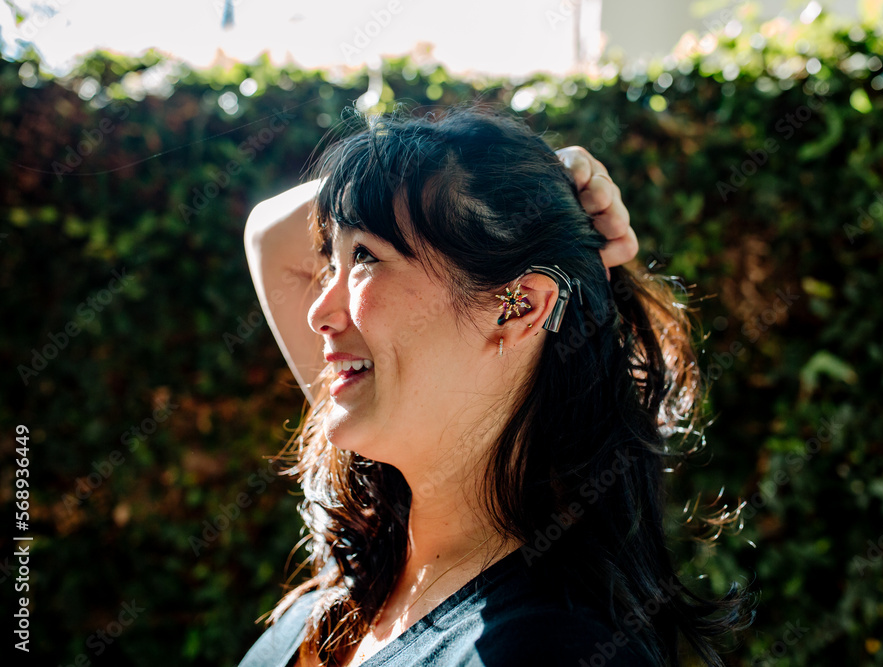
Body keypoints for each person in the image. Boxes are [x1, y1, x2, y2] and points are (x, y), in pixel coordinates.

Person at [240, 106, 751, 667]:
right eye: (328, 261)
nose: (318, 311)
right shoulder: (380, 551)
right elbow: (269, 233)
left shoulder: (553, 649)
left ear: (517, 309)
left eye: (364, 256)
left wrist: (497, 197)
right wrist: (534, 189)